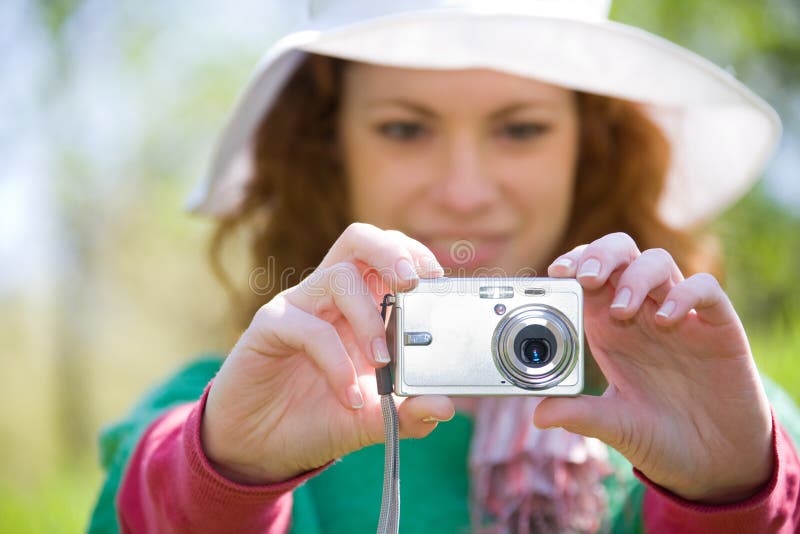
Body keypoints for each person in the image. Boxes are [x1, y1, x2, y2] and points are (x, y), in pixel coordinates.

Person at [89, 1, 800, 532]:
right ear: (328, 148)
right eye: (405, 128)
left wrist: (735, 497)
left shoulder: (731, 422)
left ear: (589, 148)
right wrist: (222, 477)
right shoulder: (226, 419)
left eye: (521, 129)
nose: (464, 191)